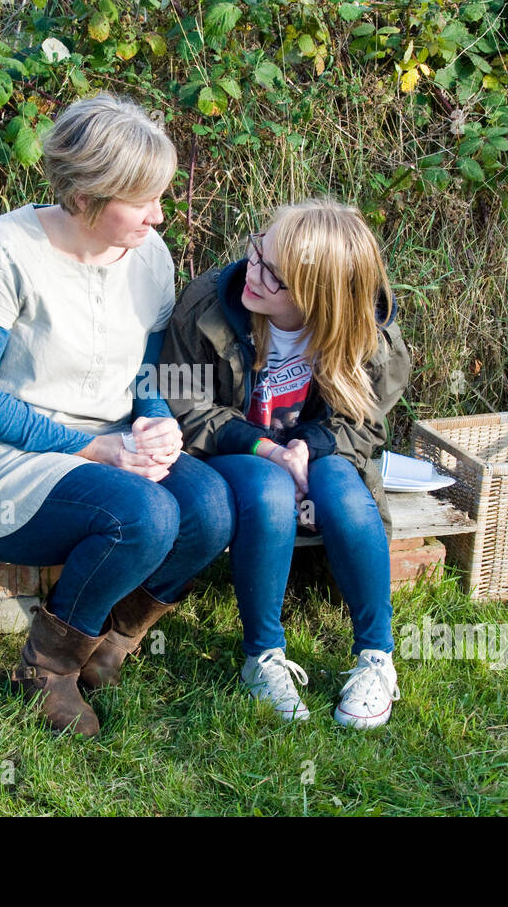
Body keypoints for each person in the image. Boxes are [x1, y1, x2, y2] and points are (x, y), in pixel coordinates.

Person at [0, 93, 234, 737]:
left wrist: (155, 420)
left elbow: (147, 367)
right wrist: (92, 449)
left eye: (162, 196)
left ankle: (112, 641)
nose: (159, 216)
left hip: (107, 446)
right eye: (143, 201)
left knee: (210, 506)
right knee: (144, 516)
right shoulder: (3, 252)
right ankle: (46, 670)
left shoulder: (149, 256)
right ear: (87, 198)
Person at [161, 199, 412, 729]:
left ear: (317, 293)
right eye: (257, 251)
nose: (253, 272)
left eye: (274, 275)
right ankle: (263, 658)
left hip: (317, 449)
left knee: (344, 492)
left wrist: (310, 444)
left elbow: (365, 423)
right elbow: (187, 409)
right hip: (236, 451)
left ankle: (377, 658)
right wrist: (270, 448)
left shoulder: (369, 333)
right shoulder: (209, 305)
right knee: (271, 489)